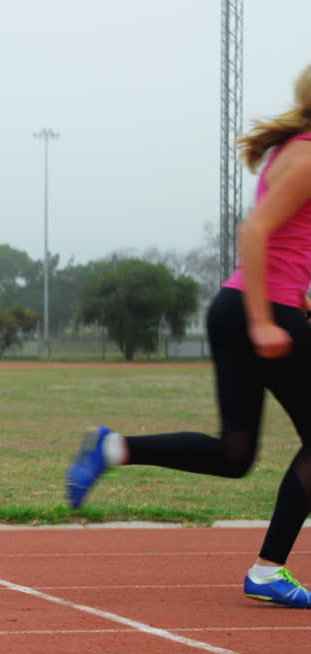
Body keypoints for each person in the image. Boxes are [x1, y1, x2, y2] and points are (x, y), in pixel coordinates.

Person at [66, 63, 311, 609]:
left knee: (234, 453)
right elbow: (255, 231)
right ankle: (269, 570)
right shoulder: (308, 156)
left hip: (239, 305)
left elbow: (287, 246)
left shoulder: (292, 149)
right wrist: (265, 320)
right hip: (256, 311)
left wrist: (292, 302)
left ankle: (114, 447)